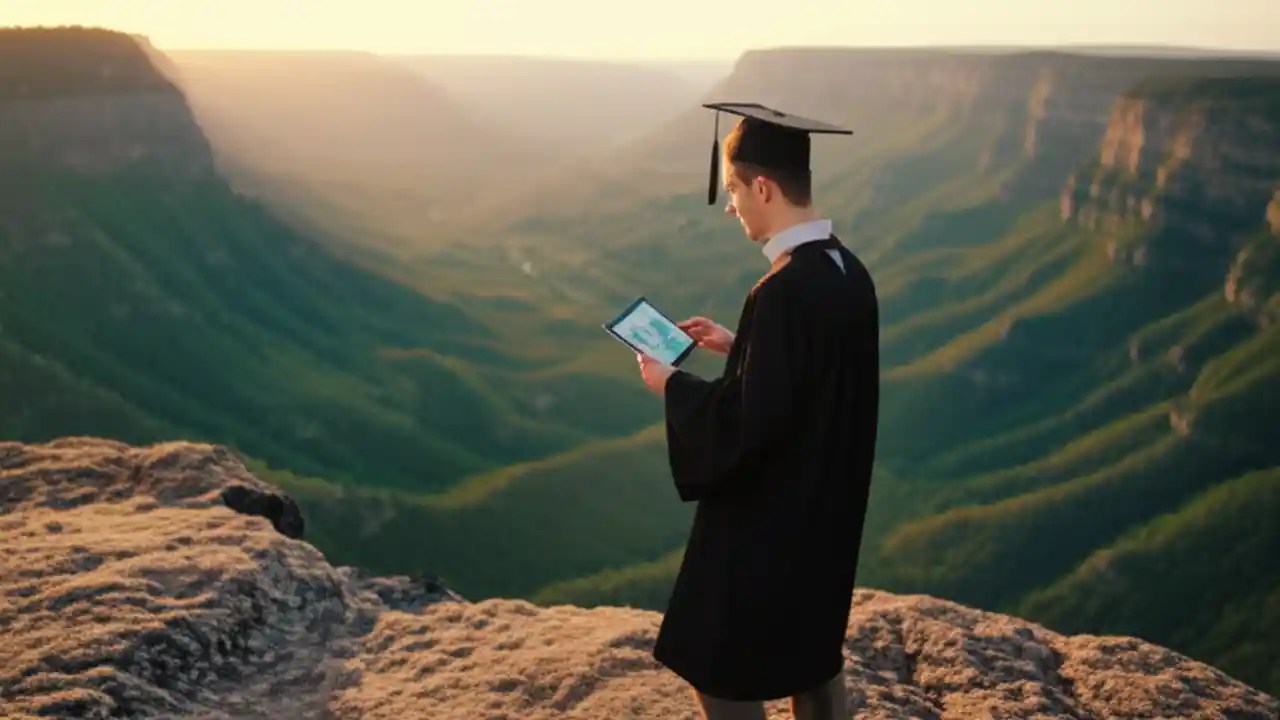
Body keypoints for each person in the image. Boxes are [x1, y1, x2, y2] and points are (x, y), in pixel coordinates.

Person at [634, 102, 880, 720]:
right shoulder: (847, 270)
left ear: (763, 187)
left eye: (735, 189)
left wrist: (673, 384)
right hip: (827, 519)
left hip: (770, 525)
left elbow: (745, 426)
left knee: (714, 663)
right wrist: (740, 345)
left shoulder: (782, 291)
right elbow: (819, 383)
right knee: (813, 658)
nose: (731, 205)